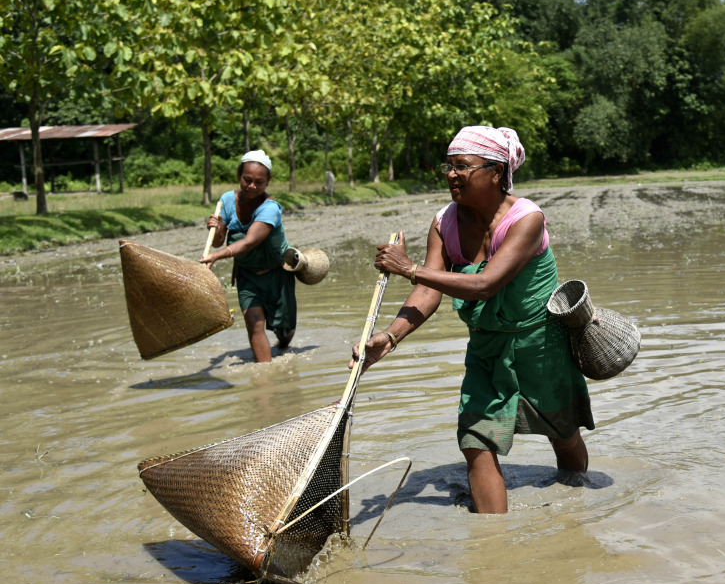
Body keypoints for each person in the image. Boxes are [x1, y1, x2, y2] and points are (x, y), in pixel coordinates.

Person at [352, 126, 593, 513]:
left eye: (462, 166)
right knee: (475, 441)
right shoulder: (443, 222)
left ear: (496, 172)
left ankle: (577, 509)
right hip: (486, 346)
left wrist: (409, 267)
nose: (451, 175)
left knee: (563, 435)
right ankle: (491, 549)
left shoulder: (526, 219)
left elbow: (485, 285)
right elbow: (429, 291)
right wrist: (391, 337)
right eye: (448, 166)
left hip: (540, 345)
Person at [201, 149, 297, 363]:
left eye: (259, 182)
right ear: (239, 176)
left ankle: (282, 344)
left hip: (277, 274)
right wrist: (215, 229)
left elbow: (249, 241)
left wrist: (217, 256)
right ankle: (265, 377)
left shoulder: (270, 208)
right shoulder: (226, 200)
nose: (252, 186)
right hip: (247, 275)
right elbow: (219, 240)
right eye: (247, 180)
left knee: (285, 330)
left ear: (268, 182)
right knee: (254, 322)